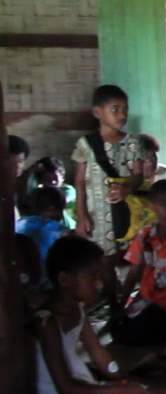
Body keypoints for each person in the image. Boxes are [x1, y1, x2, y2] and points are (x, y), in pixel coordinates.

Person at [33, 236, 166, 394]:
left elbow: (99, 355)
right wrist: (122, 388)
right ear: (65, 279)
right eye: (92, 276)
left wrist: (125, 380)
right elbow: (65, 388)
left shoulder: (77, 310)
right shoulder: (46, 322)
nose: (99, 283)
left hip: (84, 389)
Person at [71, 85, 143, 286]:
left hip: (126, 211)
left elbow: (138, 176)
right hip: (97, 215)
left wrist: (127, 188)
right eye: (115, 109)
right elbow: (79, 182)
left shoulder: (132, 142)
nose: (122, 115)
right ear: (97, 113)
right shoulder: (86, 144)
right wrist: (82, 215)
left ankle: (125, 295)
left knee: (130, 256)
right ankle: (111, 298)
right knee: (104, 260)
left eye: (125, 109)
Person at [113, 181, 166, 351]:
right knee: (118, 330)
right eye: (164, 204)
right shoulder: (145, 235)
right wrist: (121, 305)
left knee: (141, 332)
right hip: (146, 301)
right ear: (152, 206)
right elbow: (134, 272)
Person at [16, 186, 69, 267]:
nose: (61, 216)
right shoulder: (57, 230)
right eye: (61, 209)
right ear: (51, 208)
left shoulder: (18, 224)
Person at [19, 156, 77, 228]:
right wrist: (31, 169)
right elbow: (23, 196)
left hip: (69, 228)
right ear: (40, 181)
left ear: (63, 178)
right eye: (47, 179)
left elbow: (57, 201)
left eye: (55, 178)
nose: (52, 182)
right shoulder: (38, 193)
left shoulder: (68, 190)